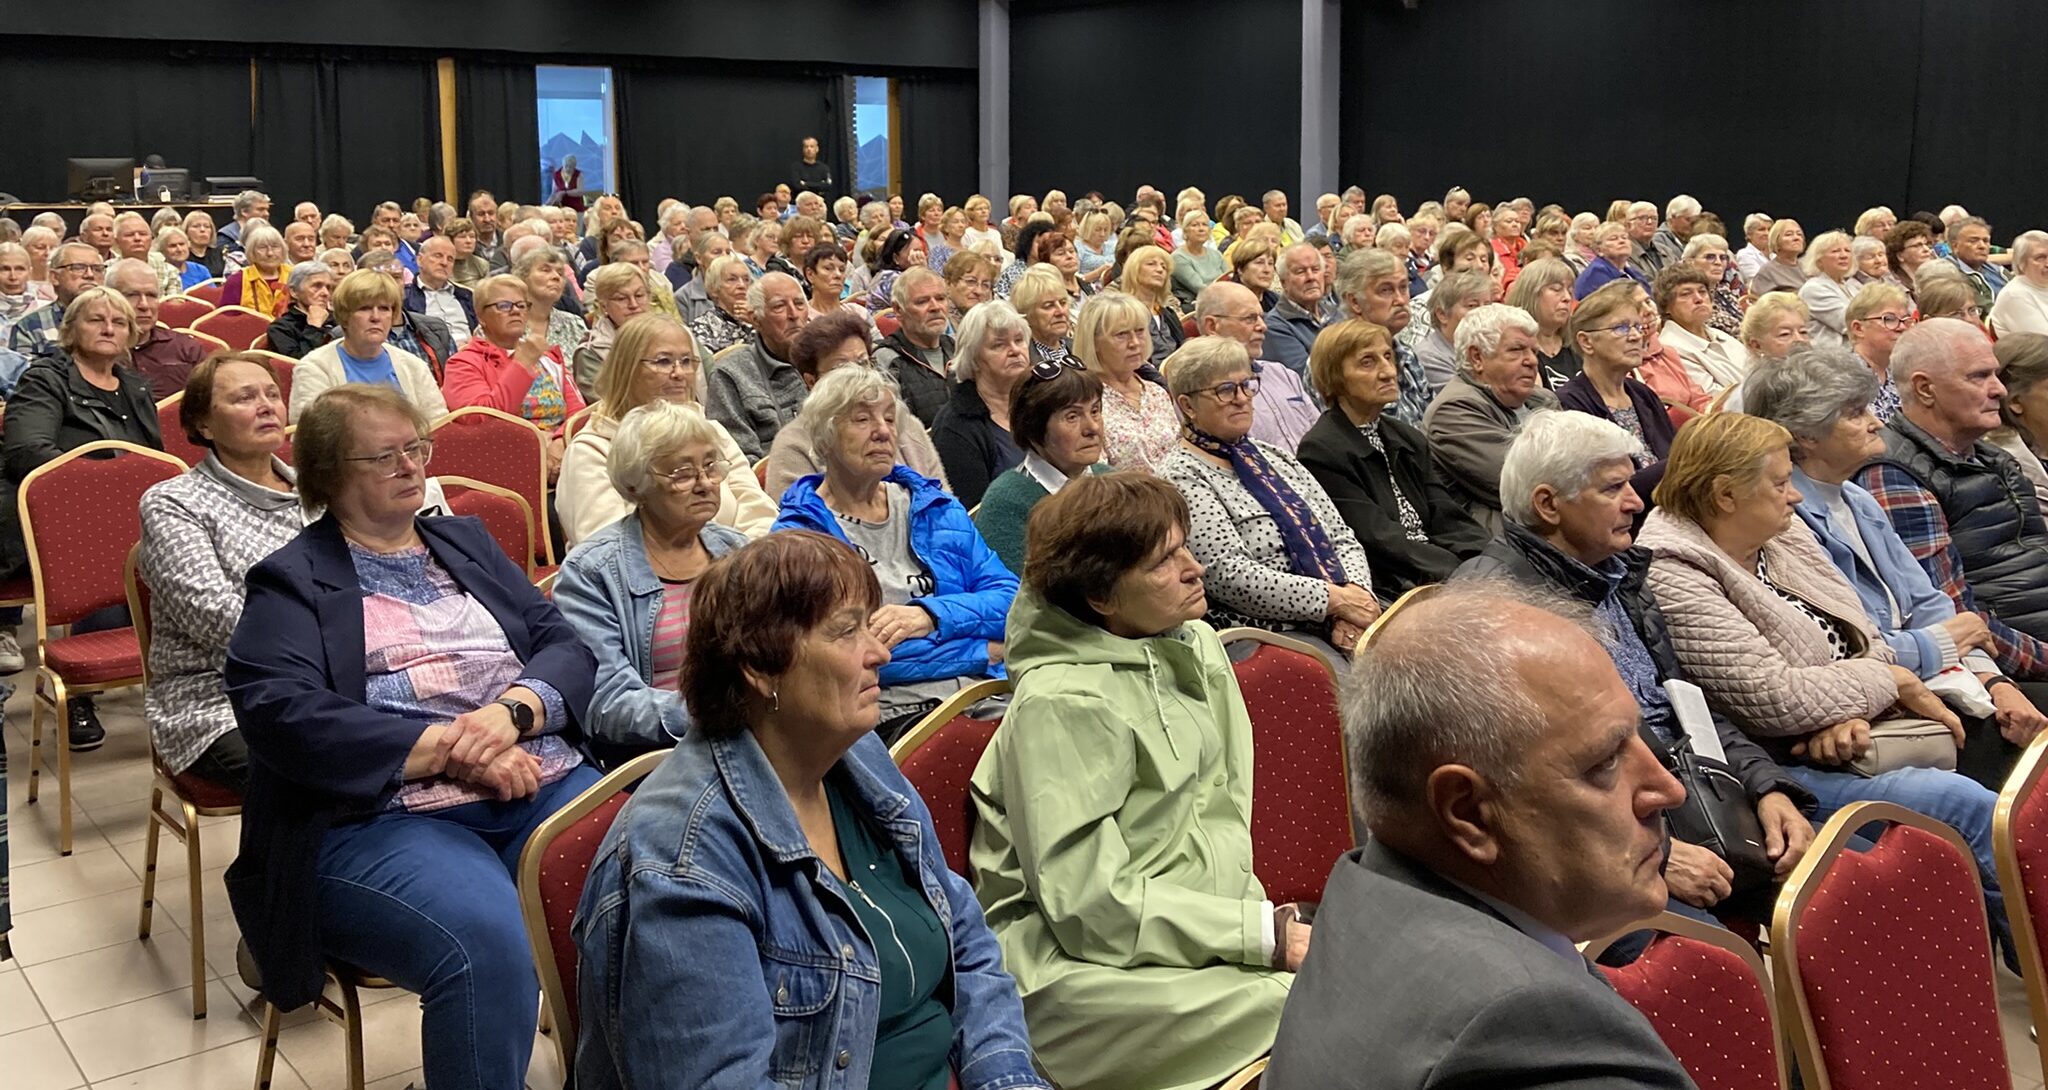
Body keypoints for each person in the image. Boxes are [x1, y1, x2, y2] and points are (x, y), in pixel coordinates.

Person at [223, 383, 601, 1090]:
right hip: (383, 816)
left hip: (540, 777)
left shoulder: (464, 540)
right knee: (488, 940)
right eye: (385, 455)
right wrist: (455, 751)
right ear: (331, 474)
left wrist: (511, 715)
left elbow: (563, 644)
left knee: (668, 885)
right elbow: (282, 713)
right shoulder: (291, 581)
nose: (411, 466)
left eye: (417, 448)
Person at [573, 530, 1046, 1090]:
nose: (880, 653)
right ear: (759, 666)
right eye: (847, 632)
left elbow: (964, 936)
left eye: (871, 626)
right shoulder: (684, 854)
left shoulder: (857, 758)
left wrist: (1003, 1076)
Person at [1262, 582, 1694, 1090]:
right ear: (1468, 814)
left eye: (1636, 739)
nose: (1667, 790)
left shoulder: (1364, 889)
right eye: (1603, 763)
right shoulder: (1536, 1035)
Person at [1636, 411, 2017, 963]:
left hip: (1851, 739)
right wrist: (1888, 682)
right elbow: (1775, 699)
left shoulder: (1783, 535)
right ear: (1724, 496)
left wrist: (1856, 700)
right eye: (1779, 482)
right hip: (1775, 769)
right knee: (1962, 804)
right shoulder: (1672, 569)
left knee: (1988, 787)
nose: (1795, 496)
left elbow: (1869, 638)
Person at [970, 471, 1298, 1090]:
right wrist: (1261, 937)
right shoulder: (1061, 702)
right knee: (1319, 1009)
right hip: (1077, 970)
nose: (1194, 568)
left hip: (1192, 935)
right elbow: (1088, 906)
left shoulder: (1193, 644)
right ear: (1101, 597)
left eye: (1185, 547)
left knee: (1368, 977)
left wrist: (1247, 931)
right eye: (1162, 562)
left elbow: (1219, 813)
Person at [1459, 412, 1820, 931]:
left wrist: (1766, 788)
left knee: (1849, 886)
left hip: (1695, 794)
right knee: (1709, 969)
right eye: (1614, 488)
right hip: (1611, 841)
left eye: (1633, 482)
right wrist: (1661, 851)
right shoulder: (1499, 609)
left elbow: (1687, 705)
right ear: (1547, 505)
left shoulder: (1619, 575)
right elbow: (1528, 784)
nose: (1635, 501)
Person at [1748, 347, 2048, 789]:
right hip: (1883, 708)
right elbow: (1853, 646)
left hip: (1945, 680)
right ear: (1806, 435)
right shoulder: (1786, 522)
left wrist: (1995, 680)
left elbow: (1932, 605)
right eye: (1854, 413)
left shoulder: (1857, 499)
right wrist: (1942, 644)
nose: (1875, 421)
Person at [771, 366, 1015, 741]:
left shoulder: (935, 507)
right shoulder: (800, 540)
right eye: (862, 419)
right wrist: (983, 650)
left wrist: (930, 615)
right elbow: (840, 658)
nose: (883, 431)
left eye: (889, 418)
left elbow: (1011, 602)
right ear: (826, 435)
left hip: (987, 694)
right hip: (886, 715)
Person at [552, 399, 748, 765]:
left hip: (752, 731)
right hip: (662, 753)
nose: (705, 484)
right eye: (683, 474)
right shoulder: (592, 572)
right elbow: (607, 702)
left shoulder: (738, 550)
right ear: (636, 485)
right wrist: (724, 711)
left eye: (710, 466)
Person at [138, 354, 300, 793]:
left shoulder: (316, 489)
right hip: (221, 699)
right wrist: (330, 637)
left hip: (337, 680)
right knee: (326, 775)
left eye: (272, 394)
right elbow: (213, 616)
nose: (267, 406)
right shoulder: (176, 502)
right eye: (244, 398)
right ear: (204, 424)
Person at [1160, 336, 1377, 658]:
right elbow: (1228, 575)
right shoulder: (1181, 475)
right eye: (1224, 390)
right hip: (1268, 635)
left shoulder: (1275, 458)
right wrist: (1333, 601)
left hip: (1344, 609)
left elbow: (1342, 537)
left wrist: (1357, 596)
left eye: (1247, 385)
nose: (1242, 399)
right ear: (1187, 406)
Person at [1858, 318, 2048, 657]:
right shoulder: (1894, 473)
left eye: (1995, 374)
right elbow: (1950, 615)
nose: (1999, 390)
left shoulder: (1992, 457)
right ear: (1925, 389)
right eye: (1979, 376)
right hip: (2007, 663)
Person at [1300, 319, 1487, 597]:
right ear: (1335, 377)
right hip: (1395, 584)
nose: (1388, 371)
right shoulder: (1321, 450)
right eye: (1367, 362)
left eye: (1388, 357)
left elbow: (1446, 514)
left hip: (1443, 568)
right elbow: (1378, 539)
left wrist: (1485, 558)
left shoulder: (1406, 436)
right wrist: (1461, 573)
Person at [558, 313, 773, 546]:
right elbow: (606, 548)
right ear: (626, 370)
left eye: (687, 361)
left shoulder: (711, 432)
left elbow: (759, 512)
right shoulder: (592, 450)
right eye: (663, 361)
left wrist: (743, 568)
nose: (679, 373)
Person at [763, 310, 949, 497]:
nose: (859, 376)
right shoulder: (793, 446)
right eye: (843, 368)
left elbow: (946, 504)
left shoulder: (907, 425)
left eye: (863, 363)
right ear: (811, 381)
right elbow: (798, 521)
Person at [1425, 303, 1561, 535]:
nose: (1531, 361)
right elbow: (1524, 486)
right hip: (1502, 544)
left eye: (1534, 351)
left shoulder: (1542, 400)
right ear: (1477, 357)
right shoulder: (1453, 411)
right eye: (1517, 350)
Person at [972, 358, 1106, 574]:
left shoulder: (1109, 478)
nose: (1092, 428)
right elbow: (1013, 598)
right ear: (1034, 429)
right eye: (1072, 416)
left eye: (1095, 411)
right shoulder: (1008, 502)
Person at [441, 274, 587, 470]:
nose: (515, 312)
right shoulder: (464, 362)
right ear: (481, 317)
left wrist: (559, 443)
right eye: (504, 306)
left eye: (521, 305)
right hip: (504, 462)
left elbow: (578, 412)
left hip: (563, 457)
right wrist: (522, 364)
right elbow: (479, 420)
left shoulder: (547, 358)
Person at [1557, 282, 1674, 502]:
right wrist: (1684, 462)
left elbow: (1673, 454)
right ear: (1586, 342)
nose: (1635, 336)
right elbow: (1607, 489)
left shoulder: (1643, 394)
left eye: (1638, 327)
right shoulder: (1570, 405)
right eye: (1621, 328)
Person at [292, 270, 448, 422]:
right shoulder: (314, 368)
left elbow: (438, 426)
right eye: (365, 308)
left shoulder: (414, 366)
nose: (376, 317)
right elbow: (311, 435)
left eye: (384, 308)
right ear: (345, 315)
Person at [1193, 280, 1319, 451]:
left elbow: (1319, 434)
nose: (1263, 326)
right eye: (1250, 318)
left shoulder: (1283, 374)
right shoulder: (1201, 393)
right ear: (1212, 326)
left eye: (1262, 317)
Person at [931, 301, 1029, 508]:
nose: (1015, 350)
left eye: (1019, 340)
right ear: (974, 358)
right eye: (999, 345)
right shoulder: (956, 427)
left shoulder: (1040, 401)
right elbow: (975, 513)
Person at [705, 271, 809, 461]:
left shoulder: (828, 356)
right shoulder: (731, 374)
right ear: (755, 319)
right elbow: (740, 461)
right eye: (779, 306)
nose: (794, 314)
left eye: (799, 304)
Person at [1075, 291, 1176, 472]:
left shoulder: (1157, 392)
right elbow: (1095, 475)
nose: (1135, 343)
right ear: (1094, 342)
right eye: (1121, 334)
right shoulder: (1085, 401)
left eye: (1139, 331)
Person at [1333, 248, 1432, 422]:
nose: (1400, 300)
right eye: (1386, 290)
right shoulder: (1338, 359)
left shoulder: (1405, 353)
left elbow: (1433, 420)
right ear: (1355, 302)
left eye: (1403, 287)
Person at [106, 258, 208, 400]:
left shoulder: (186, 348)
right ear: (110, 298)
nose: (144, 305)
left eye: (151, 295)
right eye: (132, 295)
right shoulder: (95, 352)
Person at [874, 267, 956, 426]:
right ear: (898, 310)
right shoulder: (887, 359)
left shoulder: (960, 349)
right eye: (922, 301)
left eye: (940, 298)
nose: (935, 307)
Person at [1656, 263, 1746, 396]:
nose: (1699, 299)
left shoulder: (1720, 335)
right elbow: (1714, 400)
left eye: (1702, 291)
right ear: (1666, 306)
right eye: (1686, 294)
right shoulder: (1671, 348)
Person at [9, 241, 104, 359]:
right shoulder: (30, 327)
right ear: (54, 277)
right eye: (78, 268)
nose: (89, 275)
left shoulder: (119, 321)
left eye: (97, 269)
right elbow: (24, 375)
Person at [572, 263, 654, 400]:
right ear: (604, 306)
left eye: (639, 295)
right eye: (621, 298)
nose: (633, 305)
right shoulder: (591, 352)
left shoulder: (676, 335)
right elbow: (605, 406)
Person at [1410, 269, 1493, 398]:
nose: (1483, 312)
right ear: (1442, 314)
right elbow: (1470, 402)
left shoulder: (1489, 346)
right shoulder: (1429, 357)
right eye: (1472, 306)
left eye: (1487, 305)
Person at [404, 236, 475, 350]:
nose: (444, 263)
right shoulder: (405, 297)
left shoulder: (466, 296)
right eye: (438, 256)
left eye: (450, 259)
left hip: (472, 355)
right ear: (419, 260)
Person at [1796, 231, 1859, 349]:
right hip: (1831, 358)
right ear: (1819, 260)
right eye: (1835, 251)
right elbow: (1849, 323)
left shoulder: (1853, 287)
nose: (1844, 255)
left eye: (1847, 251)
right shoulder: (1813, 288)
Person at [266, 261, 340, 358]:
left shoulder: (338, 319)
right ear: (294, 292)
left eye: (328, 287)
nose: (325, 293)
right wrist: (314, 327)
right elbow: (299, 364)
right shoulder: (281, 328)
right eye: (317, 286)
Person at [219, 225, 292, 318]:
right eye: (262, 248)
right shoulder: (237, 280)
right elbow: (226, 320)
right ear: (251, 251)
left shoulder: (295, 276)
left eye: (275, 247)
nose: (270, 253)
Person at [1989, 230, 2048, 338]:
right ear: (2021, 262)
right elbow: (2042, 343)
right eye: (2040, 258)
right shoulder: (2014, 295)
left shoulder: (2043, 285)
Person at [1572, 222, 1649, 299]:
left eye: (1624, 237)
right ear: (1599, 250)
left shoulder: (1633, 273)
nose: (1622, 241)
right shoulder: (1595, 275)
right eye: (1613, 239)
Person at [1947, 216, 2006, 312]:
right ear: (1955, 246)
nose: (1982, 246)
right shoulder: (1949, 273)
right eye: (1973, 241)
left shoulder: (1997, 269)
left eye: (1986, 241)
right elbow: (1985, 310)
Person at [1172, 207, 1224, 306]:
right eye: (1195, 225)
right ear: (1185, 230)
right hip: (1198, 305)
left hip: (1222, 299)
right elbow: (1200, 288)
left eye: (1204, 225)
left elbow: (1229, 279)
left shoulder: (1216, 254)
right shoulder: (1178, 257)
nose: (1201, 229)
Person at [1748, 218, 1809, 298]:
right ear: (1776, 240)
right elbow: (1756, 301)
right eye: (1789, 234)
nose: (1796, 238)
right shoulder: (1768, 271)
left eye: (1799, 234)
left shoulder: (1809, 268)